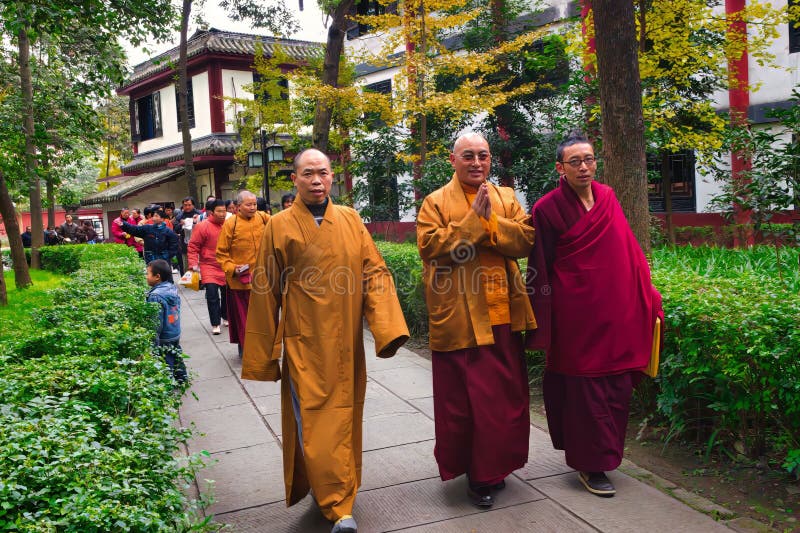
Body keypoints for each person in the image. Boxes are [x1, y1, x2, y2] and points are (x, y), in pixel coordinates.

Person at [242, 148, 409, 533]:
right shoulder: (279, 226)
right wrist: (264, 355)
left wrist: (387, 326)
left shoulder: (350, 219)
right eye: (308, 174)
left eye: (323, 173)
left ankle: (337, 490)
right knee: (317, 422)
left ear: (333, 177)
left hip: (346, 340)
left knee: (346, 417)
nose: (316, 180)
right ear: (295, 180)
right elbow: (265, 291)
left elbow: (374, 272)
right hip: (305, 342)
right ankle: (338, 506)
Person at [526, 131, 663, 498]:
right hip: (575, 317)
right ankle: (591, 466)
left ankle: (606, 455)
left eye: (588, 159)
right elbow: (541, 264)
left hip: (615, 310)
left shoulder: (608, 197)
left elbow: (627, 249)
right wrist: (542, 317)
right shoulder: (547, 208)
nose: (584, 167)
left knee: (616, 386)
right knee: (584, 390)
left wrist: (646, 291)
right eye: (575, 162)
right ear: (561, 167)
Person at [416, 132, 536, 508]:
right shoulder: (435, 202)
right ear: (453, 160)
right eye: (468, 156)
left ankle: (497, 467)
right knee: (469, 404)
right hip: (462, 321)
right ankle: (478, 475)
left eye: (483, 155)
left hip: (503, 315)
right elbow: (431, 248)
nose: (477, 163)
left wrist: (491, 226)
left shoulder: (507, 197)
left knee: (504, 401)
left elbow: (526, 239)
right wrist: (472, 222)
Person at [215, 191, 269, 357]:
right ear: (238, 207)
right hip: (241, 281)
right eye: (248, 204)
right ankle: (247, 350)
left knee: (265, 318)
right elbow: (221, 253)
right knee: (244, 319)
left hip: (263, 278)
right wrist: (233, 268)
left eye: (254, 204)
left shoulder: (264, 218)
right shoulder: (231, 224)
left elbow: (280, 233)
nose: (253, 207)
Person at [188, 199, 228, 335]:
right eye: (219, 211)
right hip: (208, 265)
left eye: (224, 211)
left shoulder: (229, 225)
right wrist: (193, 264)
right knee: (212, 295)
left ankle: (226, 316)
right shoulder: (202, 226)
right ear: (211, 212)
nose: (222, 214)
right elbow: (193, 246)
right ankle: (215, 323)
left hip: (226, 264)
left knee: (228, 293)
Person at [146, 259, 186, 383]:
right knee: (176, 353)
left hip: (164, 335)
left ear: (157, 277)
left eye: (148, 274)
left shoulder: (155, 296)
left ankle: (168, 384)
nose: (146, 277)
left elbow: (156, 322)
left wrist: (153, 341)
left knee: (165, 360)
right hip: (174, 331)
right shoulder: (171, 288)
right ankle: (182, 378)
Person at [173, 197, 202, 274]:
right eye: (185, 205)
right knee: (186, 265)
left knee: (199, 265)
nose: (187, 207)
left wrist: (196, 222)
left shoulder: (199, 214)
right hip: (185, 244)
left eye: (189, 205)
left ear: (193, 205)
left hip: (199, 244)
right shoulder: (179, 216)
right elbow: (175, 229)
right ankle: (187, 282)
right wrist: (180, 225)